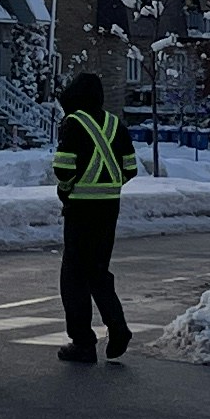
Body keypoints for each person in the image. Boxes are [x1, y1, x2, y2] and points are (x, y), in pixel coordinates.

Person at [52, 67, 137, 361]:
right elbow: (130, 168)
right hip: (109, 209)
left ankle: (83, 342)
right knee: (98, 272)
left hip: (80, 210)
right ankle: (118, 327)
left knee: (74, 276)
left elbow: (63, 167)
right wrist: (107, 186)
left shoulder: (73, 123)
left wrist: (67, 189)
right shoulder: (116, 124)